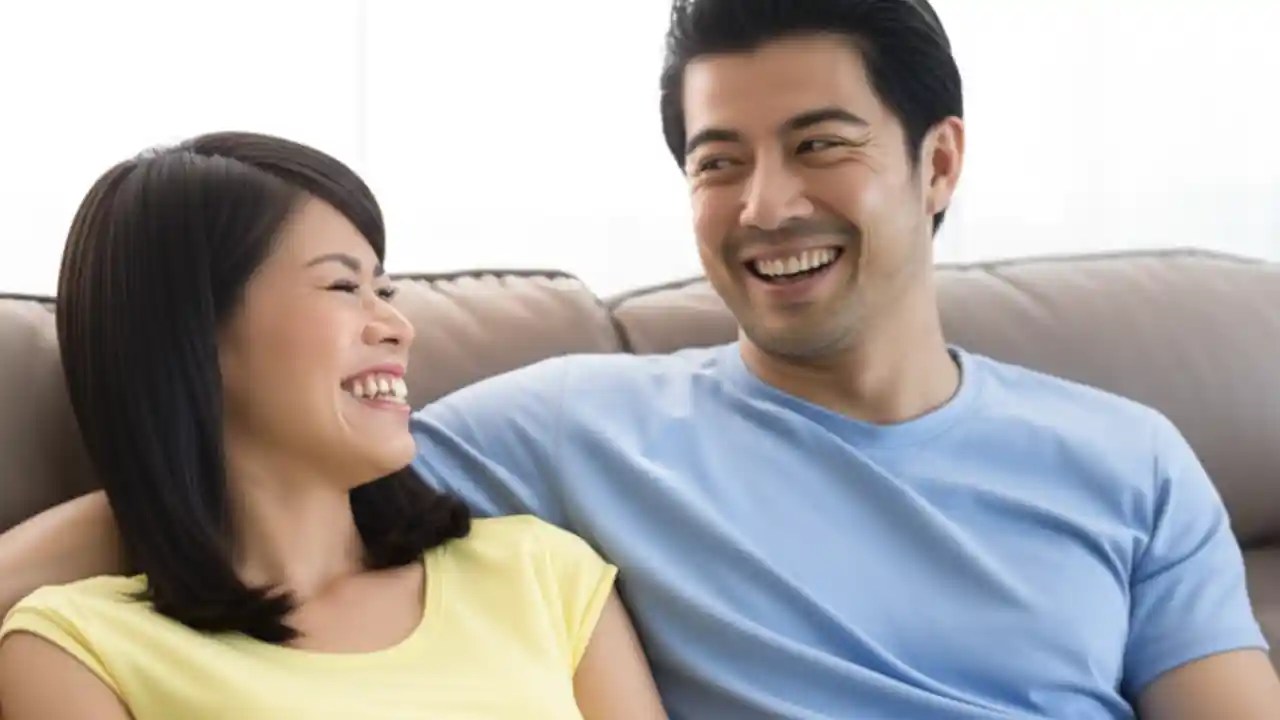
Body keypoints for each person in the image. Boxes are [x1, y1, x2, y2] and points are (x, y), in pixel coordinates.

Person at [3, 1, 1280, 718]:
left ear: (935, 161)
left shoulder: (1129, 459)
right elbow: (236, 483)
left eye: (819, 144)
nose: (763, 204)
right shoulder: (568, 435)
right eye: (717, 161)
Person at [0, 132, 667, 719]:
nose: (398, 328)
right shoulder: (75, 648)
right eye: (344, 288)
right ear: (194, 334)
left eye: (386, 290)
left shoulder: (540, 573)